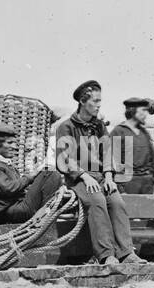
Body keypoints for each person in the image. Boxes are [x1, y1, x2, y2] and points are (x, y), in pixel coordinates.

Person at [54, 79, 144, 265]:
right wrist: (84, 176)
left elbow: (108, 152)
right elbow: (65, 159)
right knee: (97, 201)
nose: (98, 105)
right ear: (82, 101)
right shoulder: (66, 127)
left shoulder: (99, 126)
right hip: (79, 178)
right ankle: (106, 255)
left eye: (99, 101)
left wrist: (110, 176)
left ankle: (126, 253)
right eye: (95, 101)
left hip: (101, 176)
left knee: (117, 202)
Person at [0, 123, 64, 224]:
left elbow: (17, 187)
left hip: (17, 206)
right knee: (49, 173)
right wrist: (31, 176)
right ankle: (47, 215)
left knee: (49, 173)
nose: (14, 147)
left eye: (14, 143)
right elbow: (9, 188)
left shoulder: (5, 164)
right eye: (9, 143)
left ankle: (47, 212)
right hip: (9, 212)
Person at [109, 97, 154, 195]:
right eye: (143, 110)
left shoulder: (144, 133)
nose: (146, 114)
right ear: (132, 111)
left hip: (147, 183)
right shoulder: (119, 132)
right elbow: (114, 163)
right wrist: (121, 190)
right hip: (129, 184)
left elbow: (152, 161)